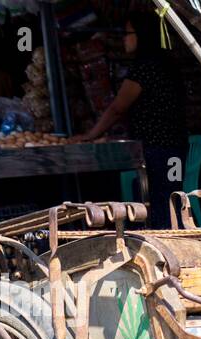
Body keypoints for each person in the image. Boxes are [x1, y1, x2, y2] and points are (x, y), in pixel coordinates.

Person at [74, 10, 187, 228]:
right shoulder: (166, 64)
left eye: (128, 33)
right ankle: (173, 235)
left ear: (142, 35)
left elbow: (118, 108)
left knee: (160, 200)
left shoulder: (144, 68)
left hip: (157, 148)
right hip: (174, 146)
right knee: (171, 196)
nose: (124, 38)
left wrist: (91, 135)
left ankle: (164, 240)